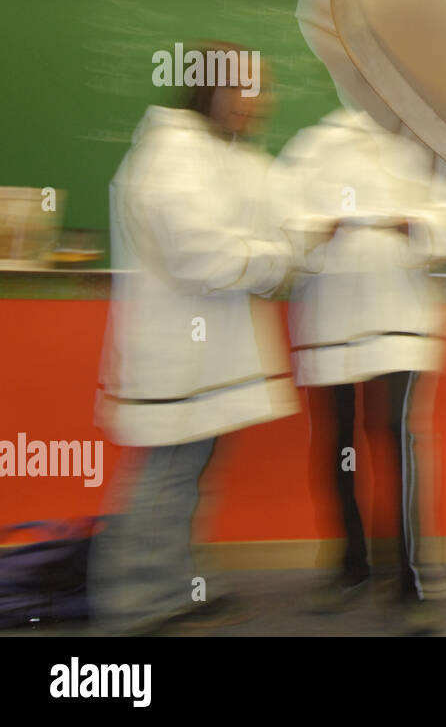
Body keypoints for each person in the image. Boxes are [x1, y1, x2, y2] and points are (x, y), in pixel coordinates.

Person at [90, 42, 297, 635]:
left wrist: (291, 243)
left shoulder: (220, 154)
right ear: (212, 88)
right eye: (249, 87)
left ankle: (174, 589)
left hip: (201, 359)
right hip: (175, 357)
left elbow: (272, 217)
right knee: (163, 478)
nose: (262, 101)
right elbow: (198, 254)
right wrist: (273, 258)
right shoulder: (172, 155)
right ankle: (132, 606)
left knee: (184, 475)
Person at [270, 105, 446, 634]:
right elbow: (281, 219)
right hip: (329, 319)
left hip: (403, 317)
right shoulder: (317, 141)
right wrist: (321, 228)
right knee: (337, 442)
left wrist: (413, 223)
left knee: (396, 435)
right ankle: (351, 566)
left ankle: (413, 579)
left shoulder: (434, 137)